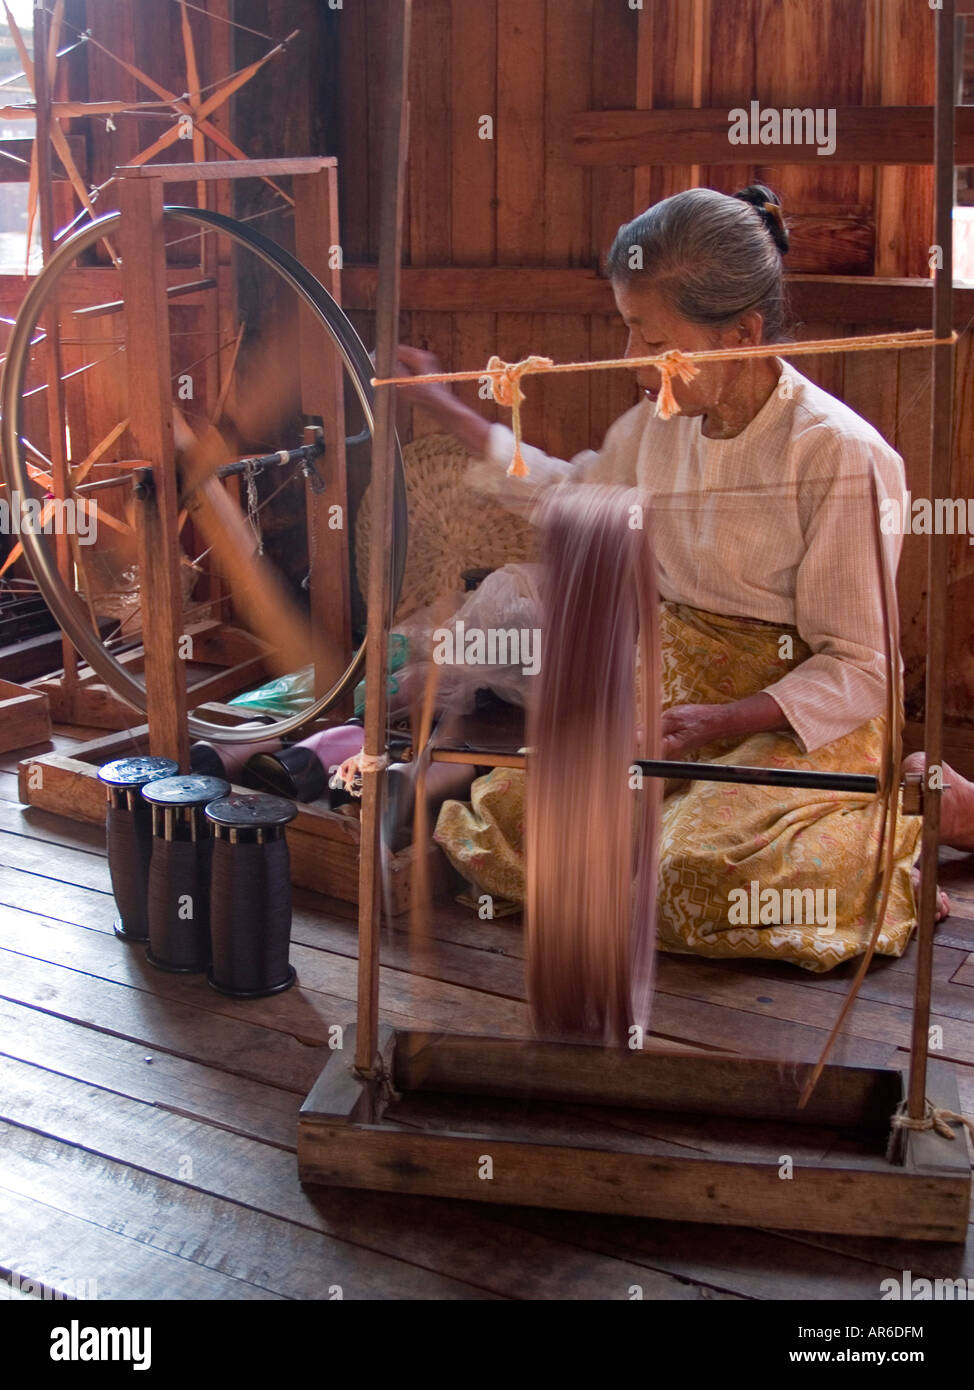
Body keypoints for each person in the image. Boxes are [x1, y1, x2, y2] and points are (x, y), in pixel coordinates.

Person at [394, 184, 932, 972]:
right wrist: (448, 410)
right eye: (629, 333)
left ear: (742, 333)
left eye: (652, 341)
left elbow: (862, 663)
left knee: (692, 874)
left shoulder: (839, 456)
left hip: (796, 717)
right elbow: (569, 495)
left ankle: (902, 829)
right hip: (675, 704)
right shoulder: (658, 424)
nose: (635, 365)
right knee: (520, 821)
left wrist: (725, 720)